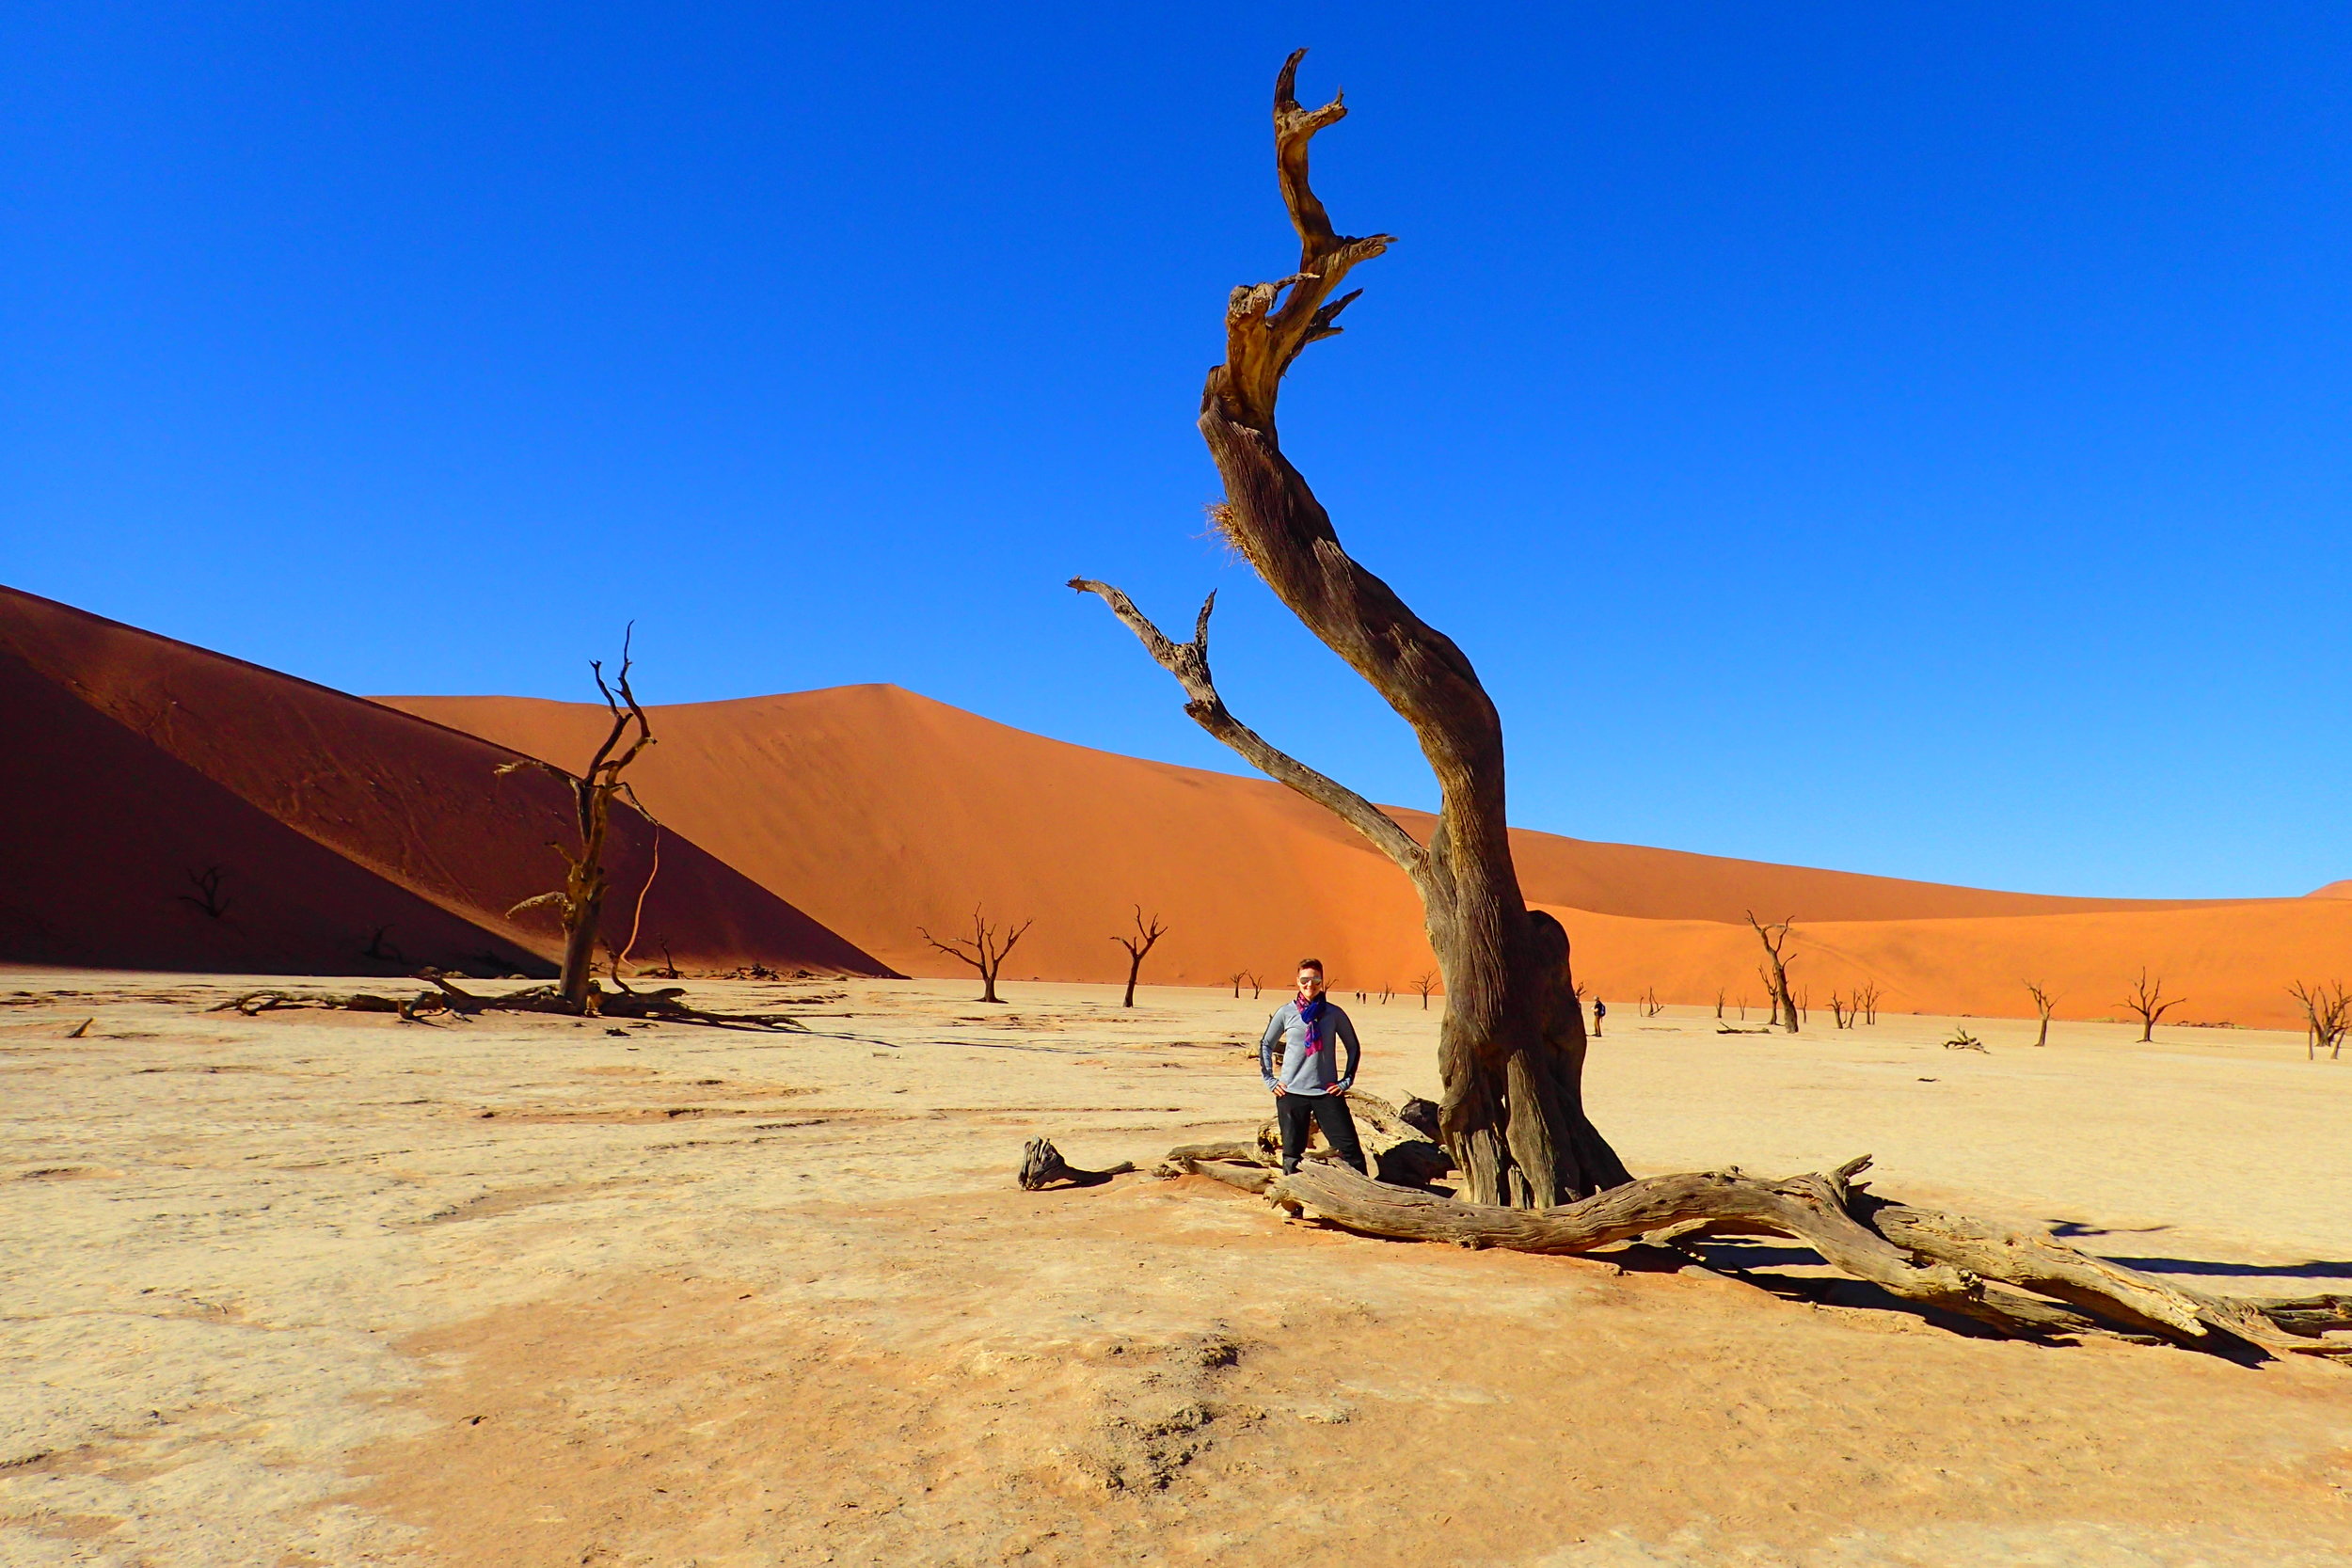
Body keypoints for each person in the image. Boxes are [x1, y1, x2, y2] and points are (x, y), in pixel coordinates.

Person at [1259, 958, 1367, 1176]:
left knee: (1350, 1152)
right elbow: (1266, 1044)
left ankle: (1364, 1193)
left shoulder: (1334, 1013)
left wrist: (1346, 1081)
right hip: (1291, 1092)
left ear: (1322, 981)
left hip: (1326, 1092)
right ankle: (1293, 1196)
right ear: (1297, 981)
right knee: (1292, 1154)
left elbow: (1353, 1047)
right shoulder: (1286, 1012)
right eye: (1305, 979)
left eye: (1316, 979)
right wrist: (1270, 1080)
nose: (1310, 984)